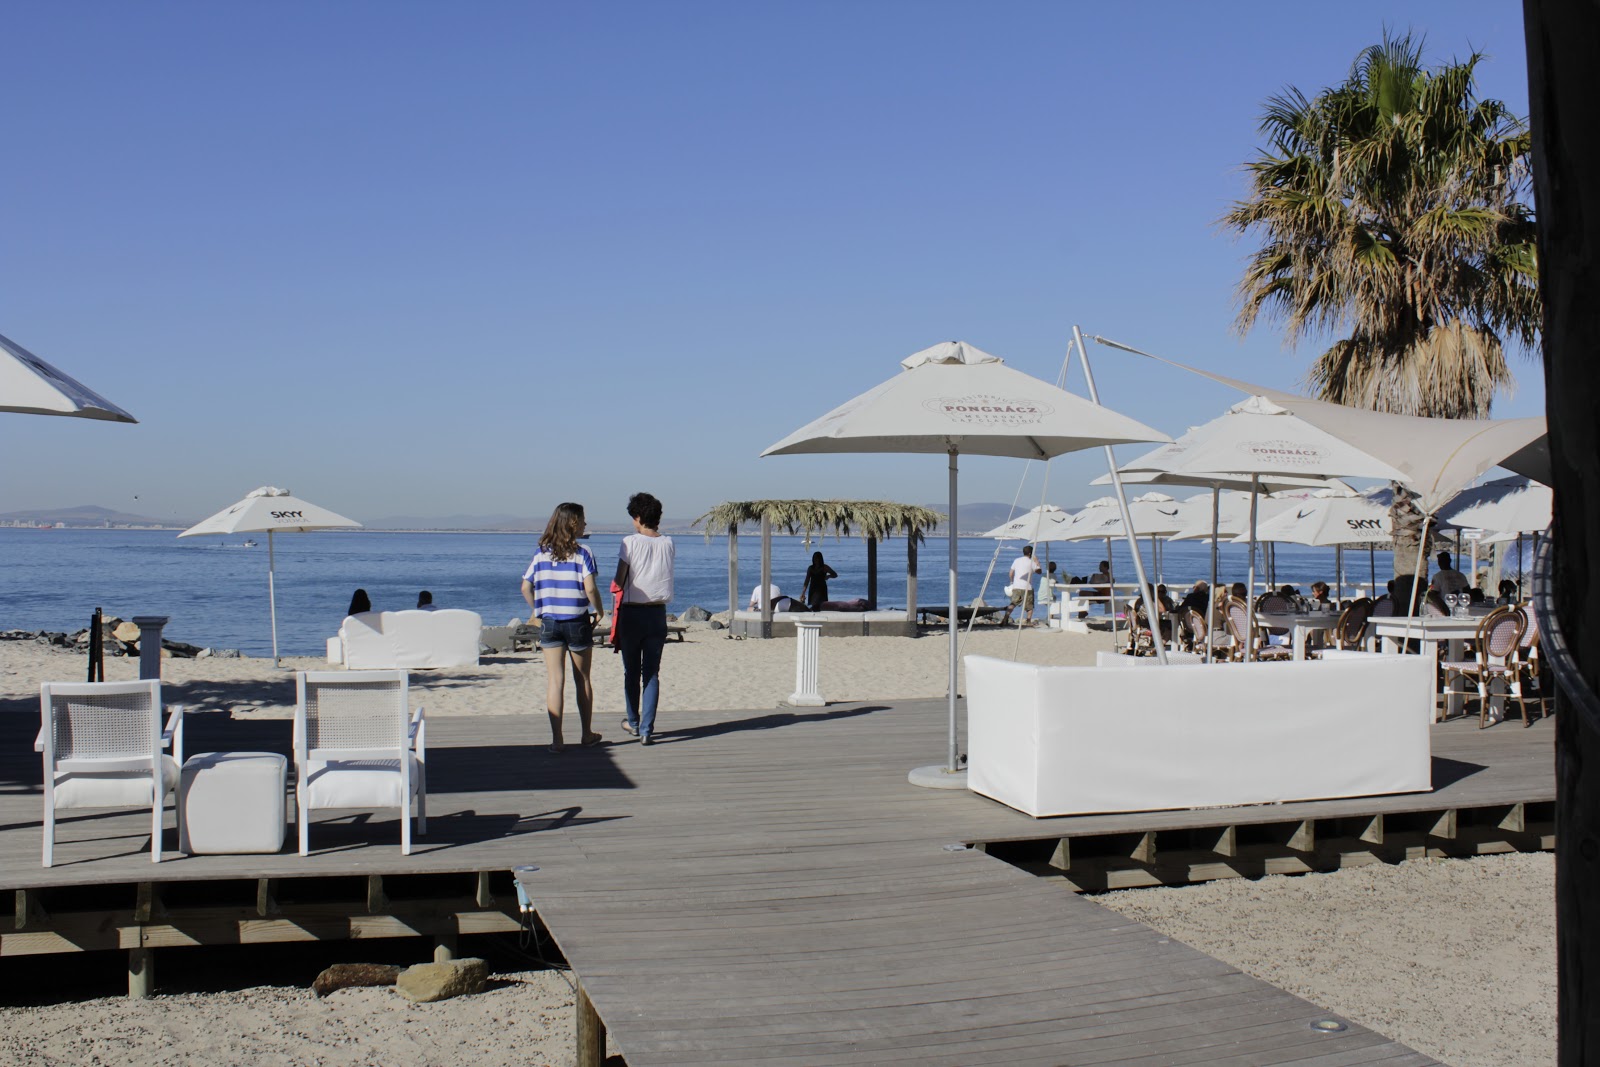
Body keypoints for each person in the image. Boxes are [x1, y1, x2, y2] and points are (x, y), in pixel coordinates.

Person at [521, 502, 604, 754]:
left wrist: (538, 610)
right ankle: (586, 734)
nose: (586, 524)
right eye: (583, 519)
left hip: (550, 622)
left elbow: (525, 587)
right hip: (577, 621)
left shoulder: (541, 553)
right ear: (573, 523)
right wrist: (600, 611)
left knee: (555, 681)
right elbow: (590, 588)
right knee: (583, 679)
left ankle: (557, 740)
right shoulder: (583, 553)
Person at [614, 492, 674, 746]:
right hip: (657, 613)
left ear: (638, 517)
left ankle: (634, 722)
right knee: (651, 673)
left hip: (632, 612)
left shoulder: (630, 542)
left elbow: (619, 579)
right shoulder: (668, 543)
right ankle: (647, 729)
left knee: (631, 672)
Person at [1005, 545, 1042, 624]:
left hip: (1016, 586)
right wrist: (1037, 561)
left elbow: (1011, 573)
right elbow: (1039, 571)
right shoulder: (1031, 562)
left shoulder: (1016, 560)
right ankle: (1028, 622)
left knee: (1013, 603)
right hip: (1027, 587)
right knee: (1029, 607)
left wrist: (1011, 582)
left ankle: (1005, 618)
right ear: (1030, 553)